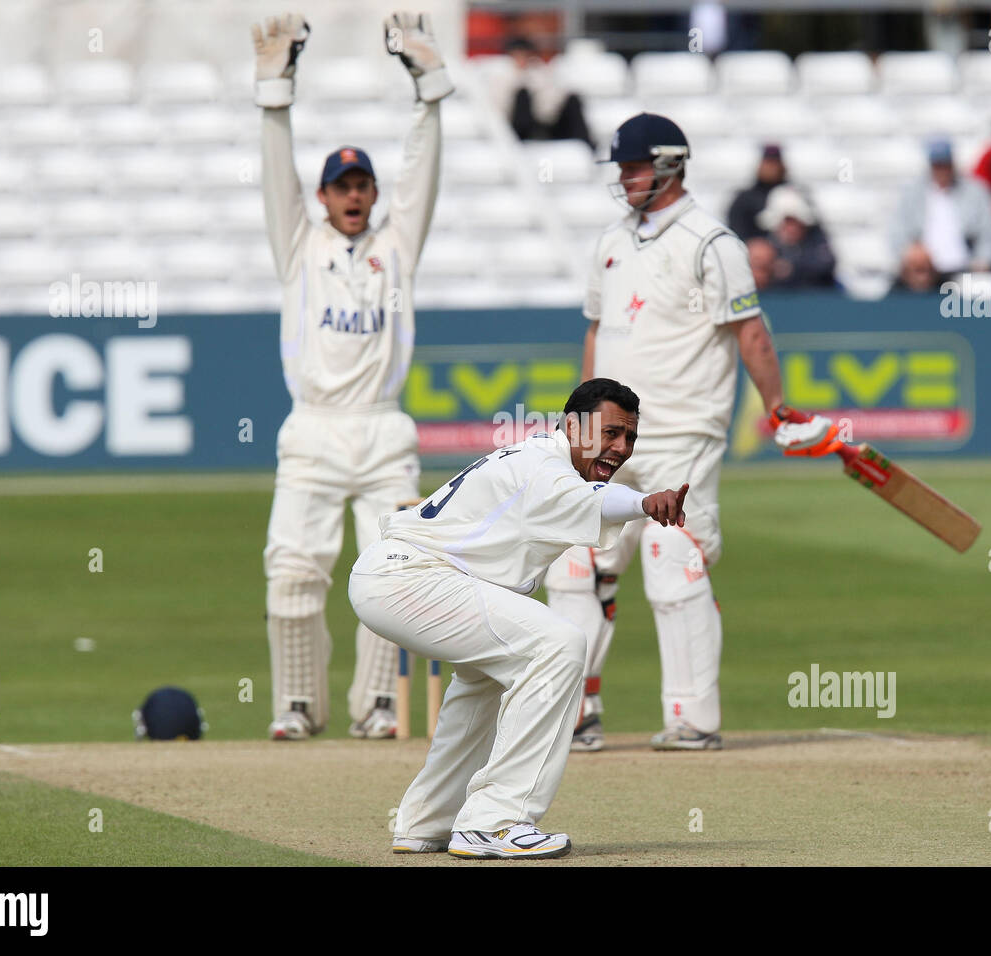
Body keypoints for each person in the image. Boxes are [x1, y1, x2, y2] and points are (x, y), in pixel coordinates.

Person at [543, 113, 834, 752]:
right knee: (575, 562)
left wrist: (777, 406)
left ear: (670, 164)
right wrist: (583, 421)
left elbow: (750, 332)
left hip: (682, 433)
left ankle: (692, 718)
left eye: (634, 166)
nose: (624, 178)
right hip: (610, 438)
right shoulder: (611, 241)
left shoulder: (712, 243)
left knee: (671, 561)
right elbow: (597, 330)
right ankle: (574, 713)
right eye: (620, 168)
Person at [349, 379, 690, 859]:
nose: (620, 448)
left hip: (403, 576)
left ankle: (429, 820)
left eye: (629, 437)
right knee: (559, 645)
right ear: (573, 427)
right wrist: (644, 502)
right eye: (610, 433)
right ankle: (495, 822)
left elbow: (584, 495)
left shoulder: (538, 457)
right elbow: (595, 499)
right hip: (410, 578)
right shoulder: (546, 469)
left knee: (484, 681)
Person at [252, 12, 453, 742]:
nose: (354, 195)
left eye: (363, 184)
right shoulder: (298, 247)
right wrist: (276, 91)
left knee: (391, 573)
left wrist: (429, 92)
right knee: (292, 574)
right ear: (324, 196)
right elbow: (276, 177)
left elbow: (422, 176)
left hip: (382, 430)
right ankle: (298, 705)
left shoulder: (396, 247)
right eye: (342, 186)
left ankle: (377, 705)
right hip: (312, 430)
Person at [888, 139, 991, 281]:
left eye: (945, 164)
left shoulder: (975, 192)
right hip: (925, 270)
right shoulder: (912, 193)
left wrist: (983, 260)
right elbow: (897, 231)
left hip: (964, 268)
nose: (942, 170)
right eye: (937, 165)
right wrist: (910, 255)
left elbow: (990, 232)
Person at [492, 36, 593, 148]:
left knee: (573, 99)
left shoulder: (539, 72)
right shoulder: (499, 75)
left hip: (543, 121)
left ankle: (586, 146)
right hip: (514, 126)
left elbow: (552, 101)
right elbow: (499, 106)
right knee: (522, 95)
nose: (521, 59)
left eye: (525, 55)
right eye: (518, 55)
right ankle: (522, 143)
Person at [758, 185, 837, 289]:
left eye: (795, 222)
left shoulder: (816, 239)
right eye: (787, 222)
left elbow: (826, 264)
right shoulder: (766, 244)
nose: (792, 228)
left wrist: (793, 268)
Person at [727, 143, 789, 242]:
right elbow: (735, 231)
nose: (771, 168)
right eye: (768, 163)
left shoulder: (793, 195)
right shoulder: (744, 199)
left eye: (774, 163)